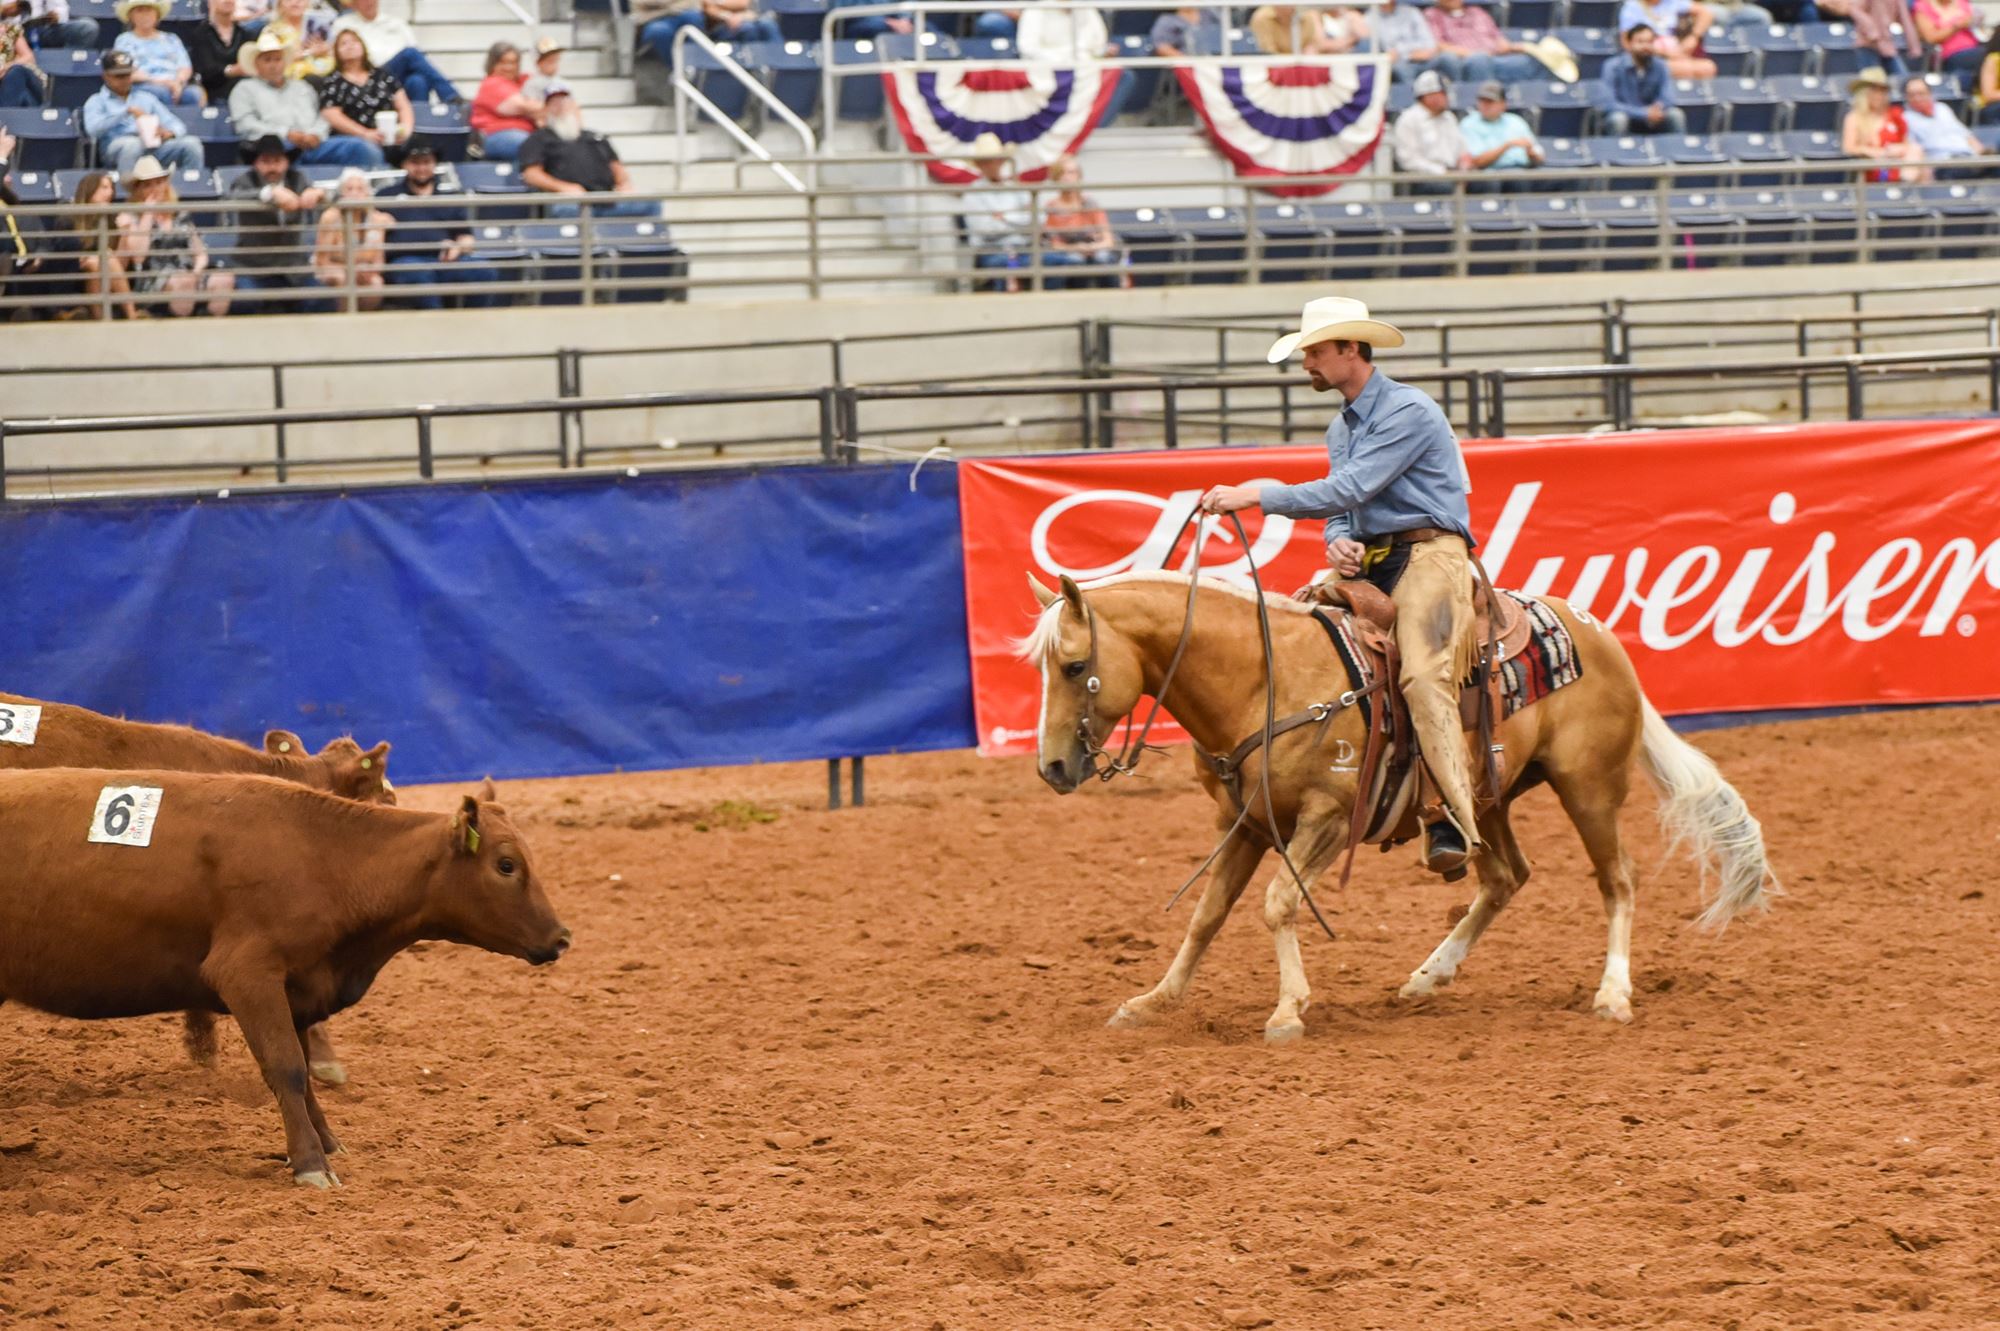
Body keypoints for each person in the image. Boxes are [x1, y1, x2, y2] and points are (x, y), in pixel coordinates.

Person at [1198, 296, 1484, 876]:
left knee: (1424, 675)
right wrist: (1337, 541)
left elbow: (1349, 487)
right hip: (1375, 559)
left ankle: (1448, 813)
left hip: (1432, 554)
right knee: (1295, 629)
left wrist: (1260, 494)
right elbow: (1343, 504)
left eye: (1316, 351)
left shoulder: (1408, 410)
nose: (1307, 362)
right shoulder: (1343, 424)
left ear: (1350, 350)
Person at [375, 136, 501, 308]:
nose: (421, 168)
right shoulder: (386, 196)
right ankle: (437, 326)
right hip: (405, 260)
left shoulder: (449, 198)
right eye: (415, 163)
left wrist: (458, 248)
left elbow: (467, 238)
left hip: (445, 261)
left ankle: (475, 324)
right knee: (417, 274)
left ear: (434, 164)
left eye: (427, 162)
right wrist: (376, 220)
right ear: (405, 164)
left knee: (483, 270)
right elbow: (367, 227)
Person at [230, 30, 383, 167]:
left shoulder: (302, 87)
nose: (273, 65)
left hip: (313, 146)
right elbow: (245, 125)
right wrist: (285, 134)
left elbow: (321, 116)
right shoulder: (244, 89)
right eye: (267, 60)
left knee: (361, 147)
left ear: (284, 62)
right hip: (274, 150)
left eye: (277, 59)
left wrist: (316, 134)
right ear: (256, 64)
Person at [116, 152, 234, 315]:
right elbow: (138, 256)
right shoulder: (132, 217)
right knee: (183, 283)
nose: (155, 188)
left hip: (189, 271)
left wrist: (197, 272)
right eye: (147, 185)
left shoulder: (180, 214)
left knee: (224, 278)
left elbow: (200, 253)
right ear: (138, 190)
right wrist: (148, 212)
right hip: (155, 278)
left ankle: (213, 328)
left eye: (159, 182)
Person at [516, 83, 659, 217]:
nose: (560, 107)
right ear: (546, 109)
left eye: (565, 102)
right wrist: (563, 188)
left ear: (574, 106)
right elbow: (532, 174)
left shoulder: (596, 137)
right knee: (565, 209)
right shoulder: (538, 139)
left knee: (649, 202)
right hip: (570, 201)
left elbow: (616, 166)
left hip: (605, 198)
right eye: (554, 103)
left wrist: (624, 185)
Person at [223, 131, 327, 308]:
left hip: (293, 269)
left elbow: (331, 193)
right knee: (245, 302)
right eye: (266, 161)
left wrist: (317, 193)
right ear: (256, 163)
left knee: (321, 298)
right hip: (253, 269)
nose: (272, 168)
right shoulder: (245, 180)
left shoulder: (298, 178)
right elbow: (233, 197)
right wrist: (268, 193)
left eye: (277, 161)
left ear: (286, 162)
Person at [83, 50, 208, 175]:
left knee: (192, 144)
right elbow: (93, 130)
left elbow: (177, 124)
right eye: (118, 76)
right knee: (133, 145)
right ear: (105, 76)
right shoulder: (96, 101)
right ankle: (128, 190)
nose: (124, 80)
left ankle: (189, 189)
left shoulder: (145, 98)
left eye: (127, 75)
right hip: (116, 147)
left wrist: (170, 133)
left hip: (152, 146)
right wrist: (125, 113)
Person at [1016, 4, 1135, 126]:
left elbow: (1098, 45)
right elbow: (1028, 49)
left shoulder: (1087, 10)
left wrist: (1105, 52)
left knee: (1123, 75)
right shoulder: (1036, 11)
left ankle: (1094, 128)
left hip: (1086, 66)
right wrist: (1064, 61)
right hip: (1050, 68)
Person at [329, 0, 461, 105]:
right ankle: (451, 96)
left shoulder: (396, 23)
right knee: (410, 54)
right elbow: (336, 52)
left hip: (399, 75)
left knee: (418, 81)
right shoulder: (343, 24)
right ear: (355, 4)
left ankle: (420, 131)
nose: (369, 2)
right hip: (370, 75)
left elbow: (417, 53)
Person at [1425, 0, 1578, 85]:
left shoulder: (1477, 12)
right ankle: (1489, 104)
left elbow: (1498, 38)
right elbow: (1439, 46)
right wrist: (1475, 54)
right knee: (1480, 61)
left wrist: (1514, 47)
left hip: (1497, 57)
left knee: (1536, 61)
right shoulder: (1432, 15)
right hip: (1467, 61)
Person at [318, 28, 413, 160]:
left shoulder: (383, 75)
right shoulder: (333, 81)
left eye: (354, 41)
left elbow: (403, 105)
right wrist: (365, 134)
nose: (350, 46)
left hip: (390, 136)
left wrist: (405, 130)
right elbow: (331, 115)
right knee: (367, 150)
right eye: (343, 44)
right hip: (355, 141)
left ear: (363, 46)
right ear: (336, 52)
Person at [959, 131, 1036, 290]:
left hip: (1024, 249)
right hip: (991, 252)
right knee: (1003, 266)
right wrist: (1019, 220)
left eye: (995, 160)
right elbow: (986, 230)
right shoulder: (972, 193)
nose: (992, 165)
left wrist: (1004, 217)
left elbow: (1036, 220)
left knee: (1059, 262)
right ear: (979, 165)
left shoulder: (1016, 188)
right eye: (986, 161)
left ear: (1001, 161)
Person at [311, 166, 392, 308]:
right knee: (342, 278)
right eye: (349, 189)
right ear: (341, 193)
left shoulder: (378, 219)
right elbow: (321, 261)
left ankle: (366, 322)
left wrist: (369, 271)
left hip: (363, 270)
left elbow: (379, 261)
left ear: (367, 194)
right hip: (333, 270)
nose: (355, 193)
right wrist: (351, 270)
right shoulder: (330, 217)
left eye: (360, 189)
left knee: (376, 283)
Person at [1042, 152, 1123, 286]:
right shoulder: (1051, 208)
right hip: (1069, 252)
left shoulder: (1090, 203)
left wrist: (1090, 247)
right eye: (1062, 173)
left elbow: (1108, 240)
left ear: (1079, 176)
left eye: (1071, 173)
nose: (1067, 178)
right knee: (1075, 261)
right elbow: (1054, 245)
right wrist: (1076, 248)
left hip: (1095, 249)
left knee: (1103, 259)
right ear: (1056, 178)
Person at [1597, 24, 1687, 135]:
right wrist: (1643, 113)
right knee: (1618, 119)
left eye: (1649, 42)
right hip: (1627, 116)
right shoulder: (1612, 66)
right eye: (1640, 42)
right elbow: (1609, 103)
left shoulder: (1661, 65)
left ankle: (1677, 151)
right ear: (1629, 44)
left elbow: (1668, 97)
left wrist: (1656, 110)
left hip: (1654, 119)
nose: (1646, 46)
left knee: (1675, 114)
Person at [1842, 64, 1926, 179]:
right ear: (1864, 93)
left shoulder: (1895, 115)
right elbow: (1849, 148)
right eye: (1874, 90)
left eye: (1882, 91)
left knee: (1916, 151)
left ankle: (1905, 188)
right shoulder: (1854, 117)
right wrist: (1878, 152)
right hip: (1870, 169)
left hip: (1896, 166)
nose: (1879, 95)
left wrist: (1898, 149)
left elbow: (1906, 144)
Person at [1390, 68, 1468, 192]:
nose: (1448, 97)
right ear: (1428, 95)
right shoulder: (1408, 119)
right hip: (1423, 177)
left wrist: (1464, 166)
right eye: (1444, 93)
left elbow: (1462, 151)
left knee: (1486, 183)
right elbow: (1408, 160)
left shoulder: (1449, 118)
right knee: (1443, 187)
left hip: (1453, 172)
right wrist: (1442, 172)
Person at [114, 0, 202, 107]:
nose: (145, 15)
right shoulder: (125, 40)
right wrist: (162, 82)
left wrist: (178, 82)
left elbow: (185, 67)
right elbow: (129, 73)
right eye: (140, 11)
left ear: (157, 15)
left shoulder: (172, 39)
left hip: (175, 83)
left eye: (149, 10)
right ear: (131, 16)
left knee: (194, 94)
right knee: (161, 93)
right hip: (144, 85)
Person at [1459, 79, 1542, 190]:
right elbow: (1477, 161)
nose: (1485, 105)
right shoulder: (1469, 123)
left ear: (1503, 104)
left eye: (1490, 101)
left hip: (1520, 169)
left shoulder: (1516, 121)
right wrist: (1506, 146)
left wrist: (1532, 154)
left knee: (1556, 177)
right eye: (1482, 101)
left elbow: (1539, 155)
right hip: (1485, 173)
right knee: (1494, 182)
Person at [1900, 73, 1988, 168]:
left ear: (1929, 94)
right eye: (1912, 95)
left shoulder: (1942, 108)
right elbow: (1912, 148)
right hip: (1942, 164)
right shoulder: (1905, 118)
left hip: (1968, 158)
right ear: (1906, 98)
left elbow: (1966, 135)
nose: (1917, 98)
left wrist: (1982, 155)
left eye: (1921, 93)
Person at [470, 41, 540, 160]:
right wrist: (543, 107)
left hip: (526, 134)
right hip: (496, 135)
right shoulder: (491, 83)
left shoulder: (525, 80)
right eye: (503, 62)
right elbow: (520, 106)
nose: (508, 67)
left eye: (513, 63)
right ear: (492, 64)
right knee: (528, 145)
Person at [1614, 0, 1716, 78]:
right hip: (1650, 58)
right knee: (1688, 69)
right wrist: (1662, 52)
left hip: (1678, 51)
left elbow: (1706, 13)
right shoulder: (1632, 7)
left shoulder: (1672, 1)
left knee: (1708, 67)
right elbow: (1627, 43)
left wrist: (1694, 37)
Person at [1820, 0, 1919, 79]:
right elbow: (1854, 9)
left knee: (1901, 79)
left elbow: (1905, 19)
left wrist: (1914, 46)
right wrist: (1872, 31)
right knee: (1872, 83)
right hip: (1867, 45)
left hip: (1887, 46)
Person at [1371, 0, 1461, 84]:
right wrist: (1410, 54)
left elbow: (1429, 43)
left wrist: (1405, 52)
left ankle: (1457, 95)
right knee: (1400, 69)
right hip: (1402, 63)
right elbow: (1390, 53)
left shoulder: (1412, 12)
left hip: (1426, 58)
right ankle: (1409, 99)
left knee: (1448, 58)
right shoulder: (1370, 19)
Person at [188, 0, 258, 104]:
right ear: (210, 3)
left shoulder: (245, 34)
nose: (228, 1)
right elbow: (207, 71)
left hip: (246, 87)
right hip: (215, 91)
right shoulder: (201, 34)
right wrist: (233, 70)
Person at [263, 0, 333, 82]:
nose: (295, 2)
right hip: (288, 78)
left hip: (324, 73)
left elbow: (335, 50)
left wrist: (327, 48)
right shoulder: (272, 30)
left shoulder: (318, 25)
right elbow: (268, 59)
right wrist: (308, 53)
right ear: (280, 4)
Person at [1912, 0, 1984, 80]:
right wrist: (1957, 26)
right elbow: (1931, 38)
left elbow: (1973, 21)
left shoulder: (1962, 2)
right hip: (1948, 53)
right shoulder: (1923, 7)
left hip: (1974, 46)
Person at [2, 0, 99, 52]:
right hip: (7, 32)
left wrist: (56, 15)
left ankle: (64, 69)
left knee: (87, 28)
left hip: (41, 29)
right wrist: (3, 13)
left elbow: (61, 7)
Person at [1149, 5, 1224, 58]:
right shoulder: (1167, 20)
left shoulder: (1211, 14)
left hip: (1214, 63)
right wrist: (1186, 61)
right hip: (1185, 69)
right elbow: (1161, 46)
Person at [0, 26, 43, 108]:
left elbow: (29, 58)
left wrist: (6, 67)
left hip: (24, 80)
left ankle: (4, 117)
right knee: (24, 97)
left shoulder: (10, 31)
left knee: (16, 72)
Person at [521, 34, 564, 103]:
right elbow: (532, 108)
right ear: (538, 62)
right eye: (550, 61)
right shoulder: (532, 84)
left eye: (556, 60)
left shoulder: (563, 83)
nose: (554, 64)